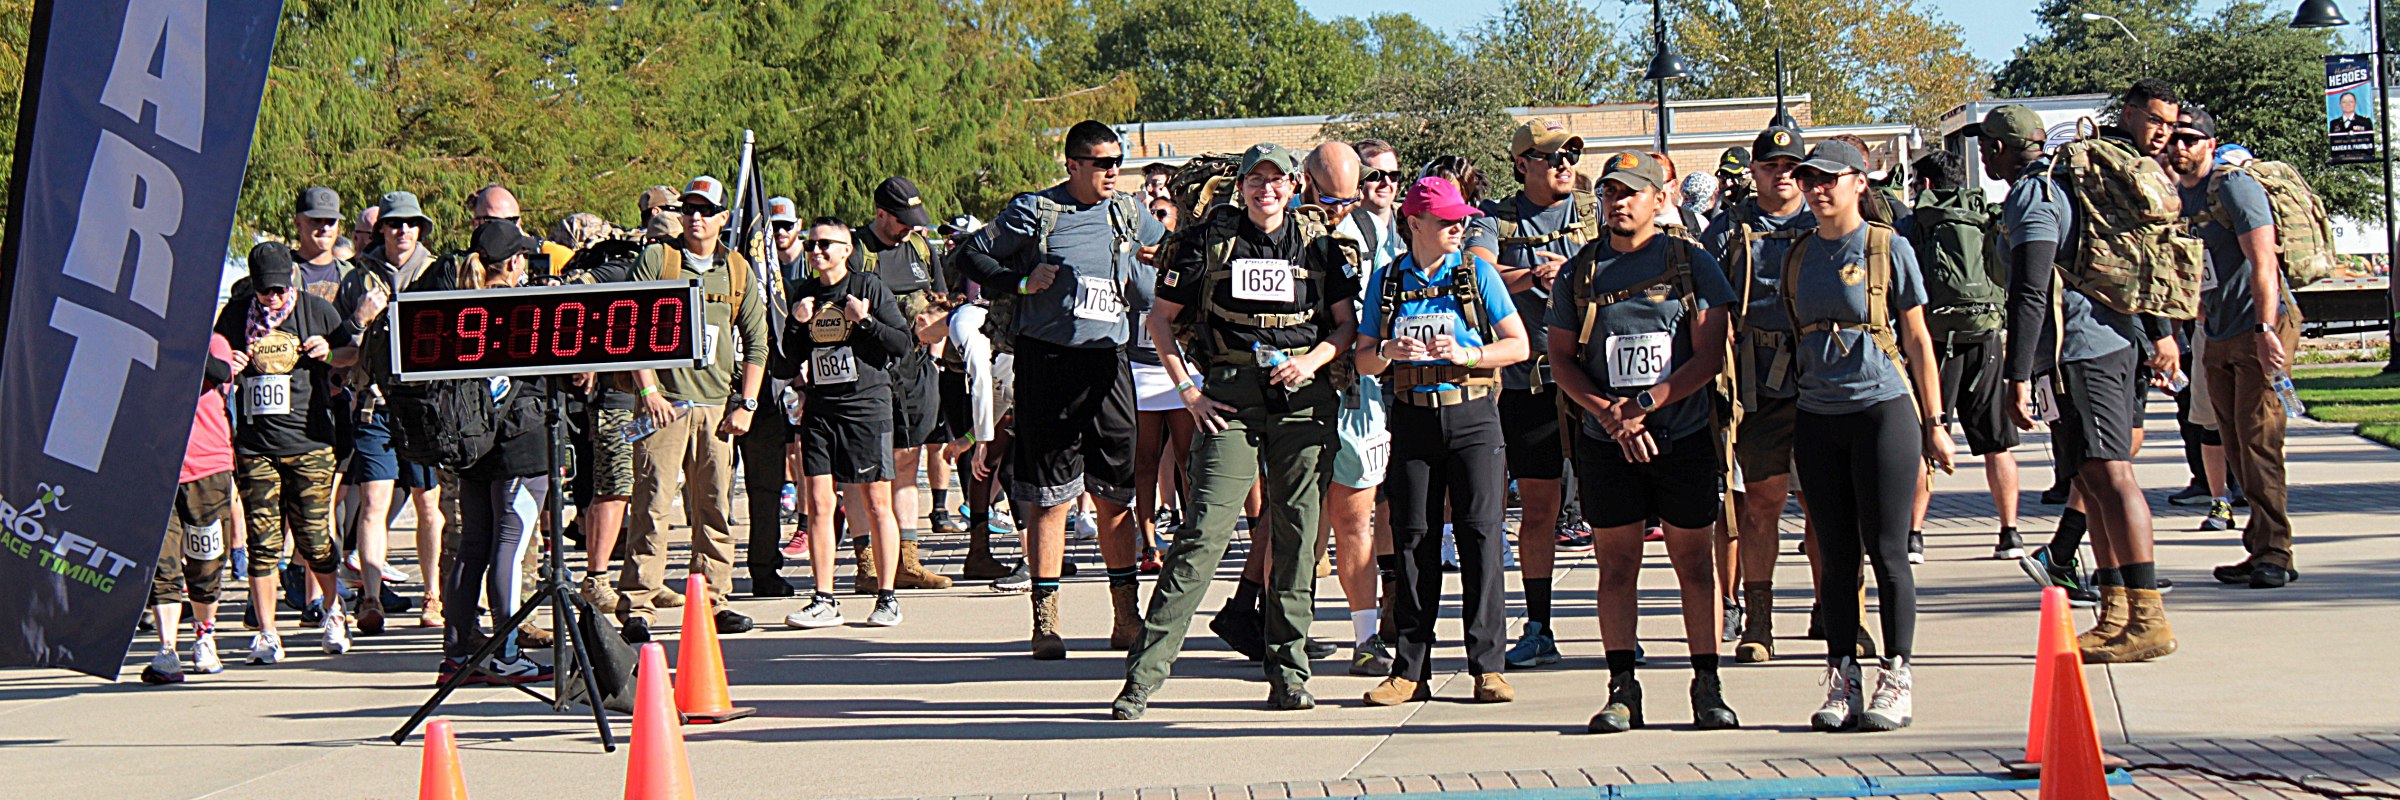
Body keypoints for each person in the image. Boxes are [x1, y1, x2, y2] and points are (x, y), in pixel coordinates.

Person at [1111, 143, 1360, 719]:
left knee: (1297, 540)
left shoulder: (1321, 245)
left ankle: (1290, 675)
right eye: (1255, 179)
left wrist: (1314, 360)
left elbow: (1346, 325)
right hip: (1230, 399)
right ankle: (1143, 678)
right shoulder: (1205, 242)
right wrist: (1189, 393)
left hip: (1303, 401)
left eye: (1276, 180)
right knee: (1202, 534)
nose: (1265, 189)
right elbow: (1159, 320)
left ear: (1294, 186)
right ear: (1241, 185)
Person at [953, 120, 1166, 659]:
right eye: (1102, 162)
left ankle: (1125, 616)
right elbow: (970, 254)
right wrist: (1022, 282)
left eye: (1118, 161)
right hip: (1047, 362)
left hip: (1108, 363)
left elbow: (1170, 260)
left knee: (1114, 495)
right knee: (1049, 498)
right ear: (1072, 165)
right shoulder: (1037, 211)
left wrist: (1157, 267)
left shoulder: (1129, 212)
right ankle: (1045, 623)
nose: (1113, 171)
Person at [1549, 151, 1742, 732]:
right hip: (1606, 439)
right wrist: (1610, 413)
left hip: (1680, 436)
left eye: (1632, 192)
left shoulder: (1692, 263)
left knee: (1693, 564)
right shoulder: (1581, 270)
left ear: (1661, 199)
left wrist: (1646, 405)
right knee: (1616, 566)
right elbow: (1560, 359)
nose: (1619, 202)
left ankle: (1707, 684)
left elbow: (1710, 355)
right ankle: (1622, 687)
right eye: (1610, 192)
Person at [2000, 83, 2182, 665]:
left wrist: (2018, 373)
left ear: (2003, 149)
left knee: (2111, 474)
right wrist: (2157, 333)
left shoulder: (2039, 192)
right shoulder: (2078, 182)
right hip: (2099, 345)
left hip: (2086, 348)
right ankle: (2115, 613)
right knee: (2093, 477)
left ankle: (2146, 616)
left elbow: (2030, 289)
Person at [1774, 139, 1951, 732]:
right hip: (1819, 413)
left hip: (1882, 407)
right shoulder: (1799, 254)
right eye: (1809, 179)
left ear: (1859, 182)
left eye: (1829, 179)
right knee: (1836, 554)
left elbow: (1919, 340)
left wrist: (1935, 423)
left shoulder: (1886, 247)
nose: (1818, 189)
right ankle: (1842, 673)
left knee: (1888, 550)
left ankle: (1896, 673)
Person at [1354, 177, 1531, 706]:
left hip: (1473, 415)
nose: (1459, 228)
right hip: (1411, 417)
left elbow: (1517, 345)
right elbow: (1362, 359)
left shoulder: (1477, 273)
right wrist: (1389, 348)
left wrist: (1469, 355)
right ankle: (1410, 669)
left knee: (1480, 538)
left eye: (1461, 220)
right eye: (1446, 221)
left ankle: (1488, 667)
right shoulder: (1387, 282)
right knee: (1412, 542)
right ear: (1415, 225)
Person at [614, 175, 770, 643]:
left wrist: (746, 404)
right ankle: (639, 604)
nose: (695, 217)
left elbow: (758, 343)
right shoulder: (659, 260)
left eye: (705, 210)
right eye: (689, 209)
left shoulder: (738, 270)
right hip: (664, 406)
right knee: (652, 504)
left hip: (717, 407)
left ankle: (714, 600)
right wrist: (648, 393)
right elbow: (630, 328)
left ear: (724, 218)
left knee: (715, 507)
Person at [1703, 123, 1836, 664]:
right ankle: (1758, 620)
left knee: (1826, 505)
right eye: (1770, 166)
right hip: (1753, 385)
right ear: (1753, 172)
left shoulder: (1828, 224)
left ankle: (1837, 611)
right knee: (1760, 505)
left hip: (1822, 376)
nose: (1782, 175)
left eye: (1791, 167)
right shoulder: (1728, 229)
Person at [2171, 109, 2303, 589]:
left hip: (2260, 325)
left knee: (2258, 438)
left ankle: (2276, 552)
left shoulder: (2235, 187)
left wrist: (2267, 329)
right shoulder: (2178, 196)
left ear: (2210, 143)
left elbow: (2263, 261)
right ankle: (2260, 545)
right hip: (2219, 329)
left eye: (2189, 138)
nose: (2178, 147)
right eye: (2173, 139)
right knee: (2233, 443)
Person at [1484, 118, 1594, 670]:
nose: (1564, 166)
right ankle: (1538, 625)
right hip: (1529, 384)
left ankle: (1620, 632)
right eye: (1552, 157)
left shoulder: (1596, 212)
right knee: (1539, 509)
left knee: (1616, 511)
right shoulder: (1494, 220)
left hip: (1595, 383)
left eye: (1570, 155)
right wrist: (1533, 277)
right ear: (1522, 163)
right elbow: (1473, 272)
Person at [217, 241, 357, 663]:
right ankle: (266, 632)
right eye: (266, 291)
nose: (273, 298)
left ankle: (334, 611)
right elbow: (210, 359)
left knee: (315, 538)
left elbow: (353, 352)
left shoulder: (315, 310)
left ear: (292, 281)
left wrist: (327, 352)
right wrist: (230, 364)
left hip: (310, 443)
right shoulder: (236, 315)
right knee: (263, 543)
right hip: (257, 445)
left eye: (279, 290)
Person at [776, 217, 919, 628]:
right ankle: (823, 597)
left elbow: (901, 344)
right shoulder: (803, 293)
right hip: (821, 407)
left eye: (825, 244)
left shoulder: (868, 288)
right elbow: (787, 358)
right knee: (819, 503)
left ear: (846, 250)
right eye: (811, 244)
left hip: (865, 406)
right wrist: (797, 323)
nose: (816, 251)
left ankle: (887, 597)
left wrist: (866, 321)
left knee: (876, 503)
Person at [432, 220, 558, 685]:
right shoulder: (520, 307)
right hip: (516, 443)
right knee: (510, 541)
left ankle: (458, 650)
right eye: (523, 256)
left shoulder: (458, 304)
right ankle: (503, 651)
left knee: (474, 544)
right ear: (512, 263)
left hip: (473, 442)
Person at [1899, 149, 2025, 562]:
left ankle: (1914, 535)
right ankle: (2010, 532)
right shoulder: (1984, 215)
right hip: (1986, 336)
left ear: (1928, 185)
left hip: (1934, 340)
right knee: (1997, 444)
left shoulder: (1915, 225)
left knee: (1925, 441)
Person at [849, 177, 954, 592]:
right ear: (880, 214)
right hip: (868, 371)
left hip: (917, 370)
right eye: (901, 220)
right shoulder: (857, 250)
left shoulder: (922, 249)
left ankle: (907, 560)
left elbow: (941, 301)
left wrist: (936, 349)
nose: (910, 227)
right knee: (865, 471)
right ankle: (869, 564)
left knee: (908, 464)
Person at [142, 333, 239, 685]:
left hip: (206, 467)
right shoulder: (144, 340)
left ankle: (204, 637)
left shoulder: (212, 342)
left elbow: (221, 370)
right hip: (156, 468)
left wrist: (179, 344)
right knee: (162, 564)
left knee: (205, 560)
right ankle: (167, 650)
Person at [742, 196, 806, 599]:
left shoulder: (805, 269)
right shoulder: (737, 266)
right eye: (772, 227)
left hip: (771, 387)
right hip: (722, 389)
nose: (778, 233)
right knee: (709, 495)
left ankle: (765, 568)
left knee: (766, 486)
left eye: (785, 226)